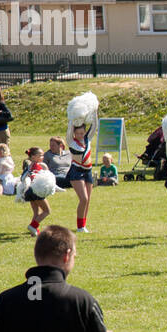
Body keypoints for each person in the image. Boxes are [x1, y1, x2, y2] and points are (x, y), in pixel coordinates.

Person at [65, 99, 97, 233]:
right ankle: (79, 227)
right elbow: (69, 128)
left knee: (88, 200)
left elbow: (94, 127)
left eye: (82, 133)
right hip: (76, 171)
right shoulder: (71, 141)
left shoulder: (87, 139)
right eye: (77, 133)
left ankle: (83, 225)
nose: (80, 135)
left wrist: (94, 110)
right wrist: (73, 117)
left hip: (88, 171)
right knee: (83, 198)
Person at [18, 146, 53, 236]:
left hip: (29, 191)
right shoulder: (38, 166)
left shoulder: (30, 166)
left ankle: (34, 232)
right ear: (33, 157)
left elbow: (22, 177)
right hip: (36, 191)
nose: (43, 157)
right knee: (47, 211)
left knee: (36, 212)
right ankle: (33, 226)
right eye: (40, 155)